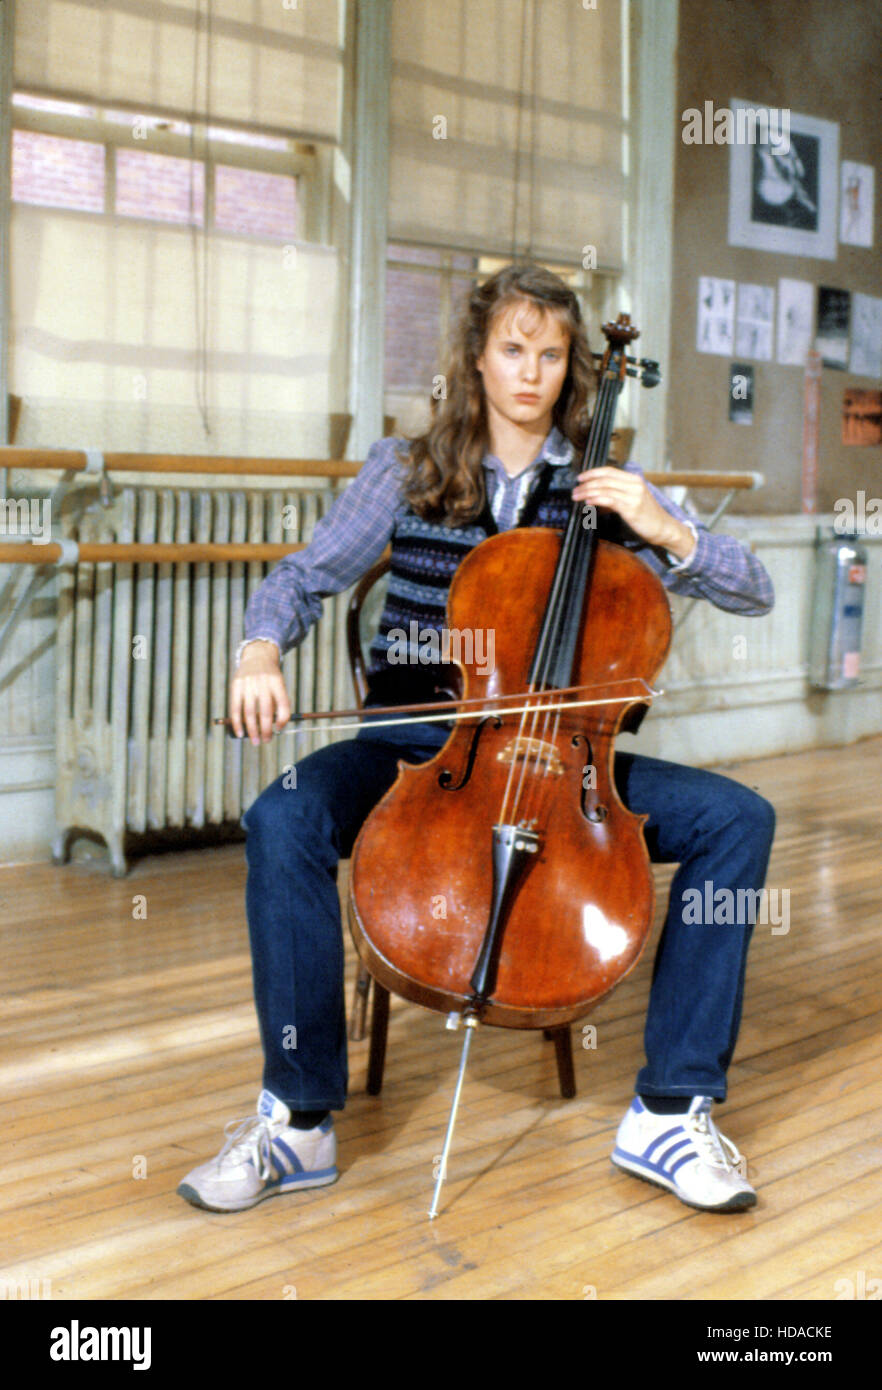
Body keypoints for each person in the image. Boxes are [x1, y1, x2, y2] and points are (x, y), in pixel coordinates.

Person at [177, 263, 775, 1216]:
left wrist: (663, 526)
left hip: (564, 760)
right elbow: (300, 577)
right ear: (478, 360)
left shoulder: (606, 489)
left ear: (574, 368)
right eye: (513, 350)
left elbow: (752, 587)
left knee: (739, 818)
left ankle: (668, 1112)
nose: (531, 372)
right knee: (280, 818)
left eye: (550, 354)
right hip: (417, 747)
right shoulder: (404, 470)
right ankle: (297, 1122)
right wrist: (258, 650)